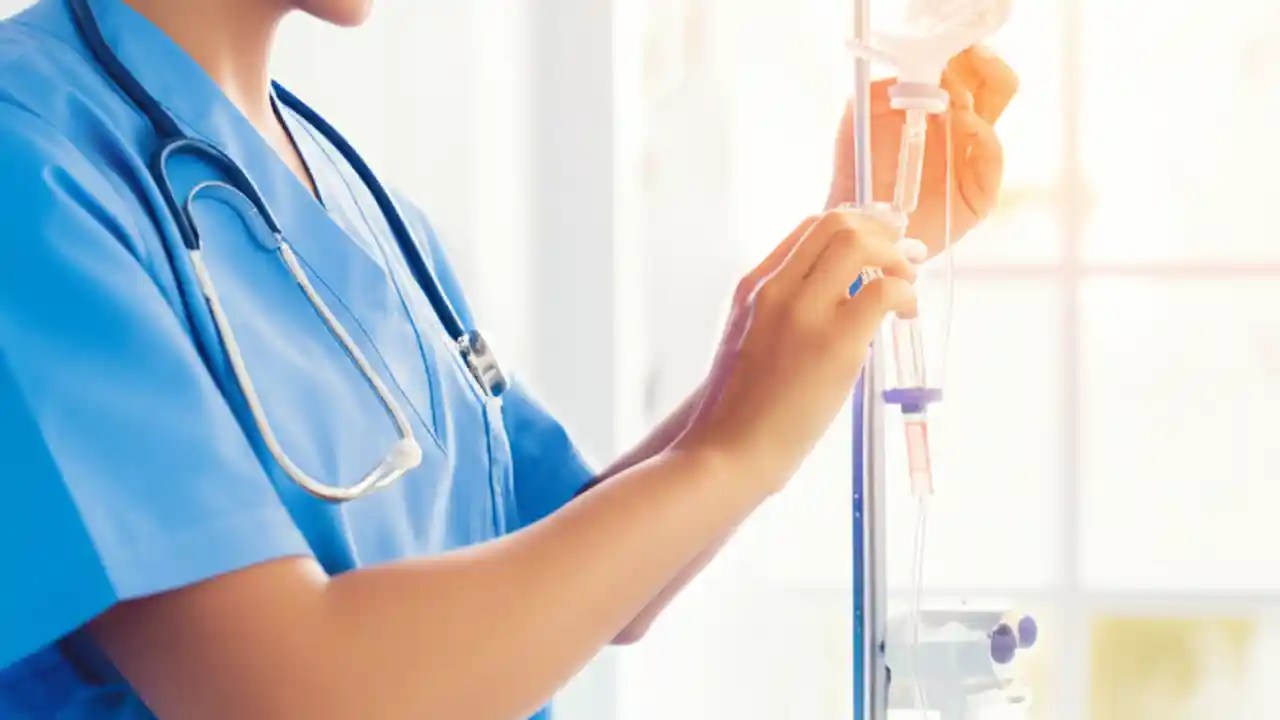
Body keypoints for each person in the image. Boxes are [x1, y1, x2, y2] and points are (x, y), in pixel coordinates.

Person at [0, 0, 1017, 717]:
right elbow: (293, 694)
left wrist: (837, 260)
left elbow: (586, 571)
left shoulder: (341, 190)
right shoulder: (29, 163)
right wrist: (731, 454)